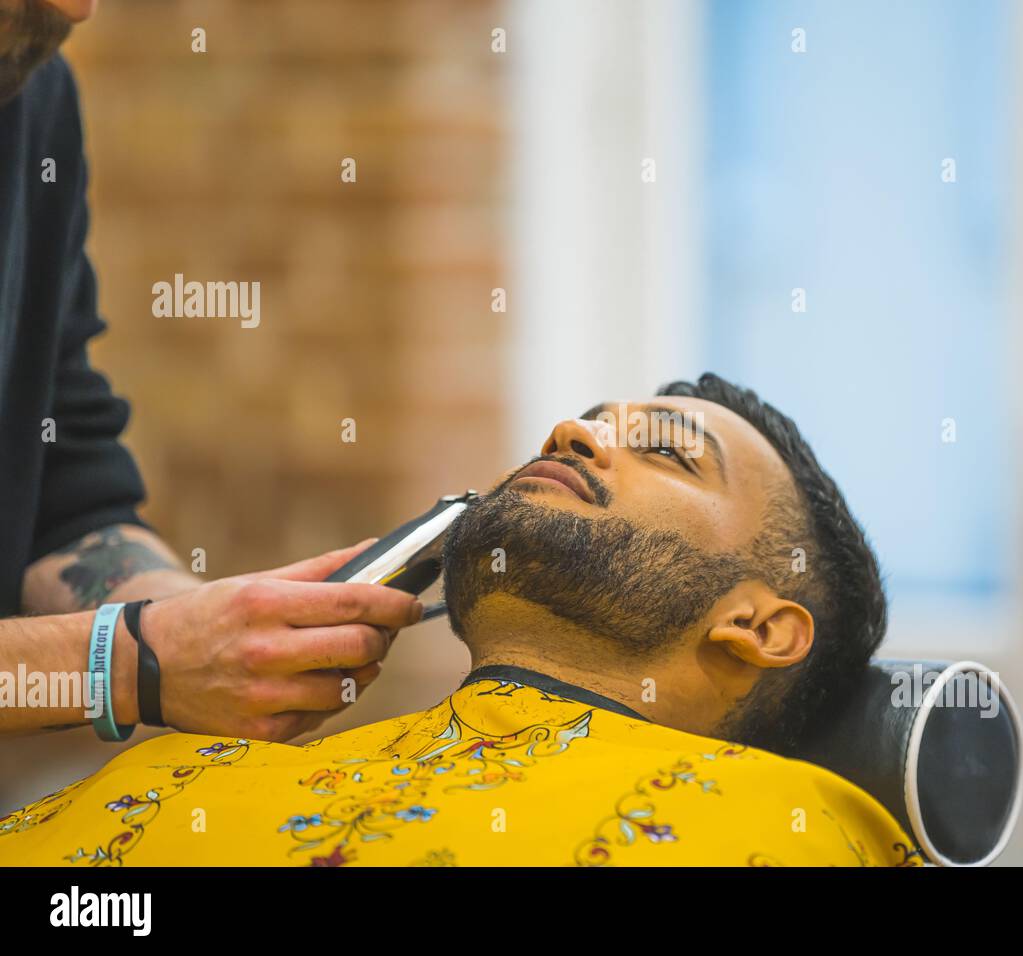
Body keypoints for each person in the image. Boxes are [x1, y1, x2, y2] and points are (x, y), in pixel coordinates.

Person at [0, 375, 921, 867]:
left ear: (761, 627)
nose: (572, 430)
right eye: (591, 419)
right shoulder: (183, 764)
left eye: (669, 451)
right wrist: (129, 660)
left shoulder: (796, 833)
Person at [0, 0, 423, 743]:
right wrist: (130, 663)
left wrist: (224, 631)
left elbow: (60, 493)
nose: (80, 7)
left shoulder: (32, 94)